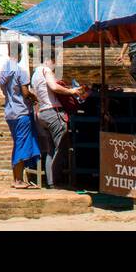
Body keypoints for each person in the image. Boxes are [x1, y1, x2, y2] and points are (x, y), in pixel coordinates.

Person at [30, 52, 85, 187]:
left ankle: (51, 182)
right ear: (50, 60)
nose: (55, 66)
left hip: (42, 113)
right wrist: (72, 91)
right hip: (53, 112)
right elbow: (54, 87)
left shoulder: (35, 74)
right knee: (61, 147)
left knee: (51, 149)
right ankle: (55, 180)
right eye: (55, 62)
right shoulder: (46, 70)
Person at [0, 41, 40, 188]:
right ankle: (18, 180)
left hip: (10, 113)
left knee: (17, 144)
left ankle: (16, 178)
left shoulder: (4, 70)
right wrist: (34, 97)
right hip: (22, 113)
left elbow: (4, 90)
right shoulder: (20, 71)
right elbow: (25, 92)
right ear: (21, 53)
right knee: (21, 146)